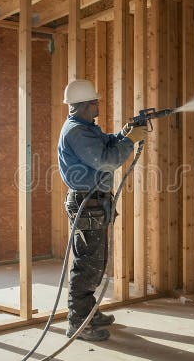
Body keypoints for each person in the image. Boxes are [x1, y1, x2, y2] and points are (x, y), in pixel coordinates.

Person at [57, 79, 147, 341]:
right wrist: (130, 141)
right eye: (94, 101)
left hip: (95, 201)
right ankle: (78, 322)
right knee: (88, 263)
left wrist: (124, 133)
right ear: (84, 105)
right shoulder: (77, 132)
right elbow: (106, 159)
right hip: (87, 202)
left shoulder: (86, 127)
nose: (98, 104)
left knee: (95, 261)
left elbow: (106, 142)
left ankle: (87, 311)